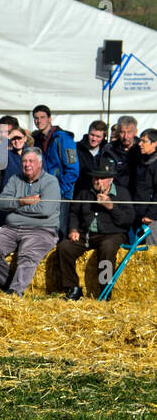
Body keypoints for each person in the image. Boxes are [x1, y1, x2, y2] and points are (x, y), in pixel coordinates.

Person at [0, 146, 61, 296]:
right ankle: (10, 285)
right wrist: (22, 201)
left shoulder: (51, 182)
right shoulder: (15, 179)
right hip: (12, 228)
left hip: (41, 230)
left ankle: (15, 293)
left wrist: (14, 210)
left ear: (40, 163)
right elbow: (2, 202)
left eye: (31, 161)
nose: (27, 164)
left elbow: (45, 210)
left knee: (27, 254)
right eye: (24, 161)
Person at [56, 157, 134, 300]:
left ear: (110, 179)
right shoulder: (84, 193)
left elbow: (128, 220)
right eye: (95, 178)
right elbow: (74, 212)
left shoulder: (122, 193)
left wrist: (112, 207)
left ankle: (105, 291)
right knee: (64, 247)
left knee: (107, 248)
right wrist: (73, 229)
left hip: (112, 234)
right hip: (86, 235)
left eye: (102, 178)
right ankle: (73, 288)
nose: (98, 182)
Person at [29, 105, 77, 233]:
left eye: (42, 117)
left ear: (50, 119)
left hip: (60, 194)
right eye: (36, 118)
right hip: (42, 194)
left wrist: (59, 191)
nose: (39, 121)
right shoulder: (37, 140)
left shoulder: (63, 138)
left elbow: (73, 171)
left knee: (58, 230)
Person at [128, 129, 157, 235]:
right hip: (136, 211)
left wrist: (151, 214)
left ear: (154, 143)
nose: (140, 144)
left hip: (150, 216)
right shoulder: (140, 160)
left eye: (144, 141)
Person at [110, 115, 140, 185]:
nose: (125, 136)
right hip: (116, 191)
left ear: (135, 132)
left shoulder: (142, 149)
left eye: (129, 132)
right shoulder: (109, 149)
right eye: (122, 132)